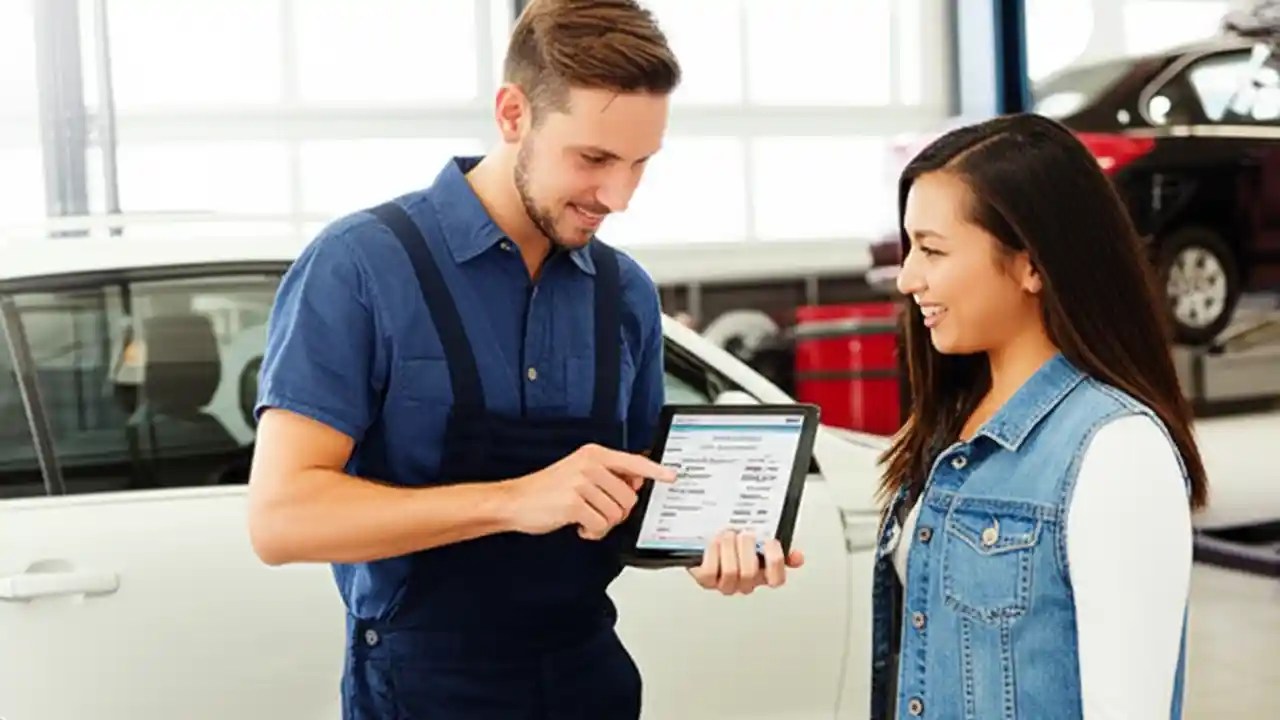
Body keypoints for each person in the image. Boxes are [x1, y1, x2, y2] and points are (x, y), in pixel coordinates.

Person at [245, 1, 802, 718]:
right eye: (594, 159)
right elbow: (282, 519)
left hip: (587, 682)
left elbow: (622, 502)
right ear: (513, 115)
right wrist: (514, 500)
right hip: (423, 691)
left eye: (640, 164)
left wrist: (700, 544)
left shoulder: (624, 292)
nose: (620, 197)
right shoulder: (359, 267)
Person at [870, 113, 1208, 720]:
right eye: (910, 246)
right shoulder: (952, 423)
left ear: (1031, 264)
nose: (907, 277)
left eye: (933, 250)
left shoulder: (1116, 451)